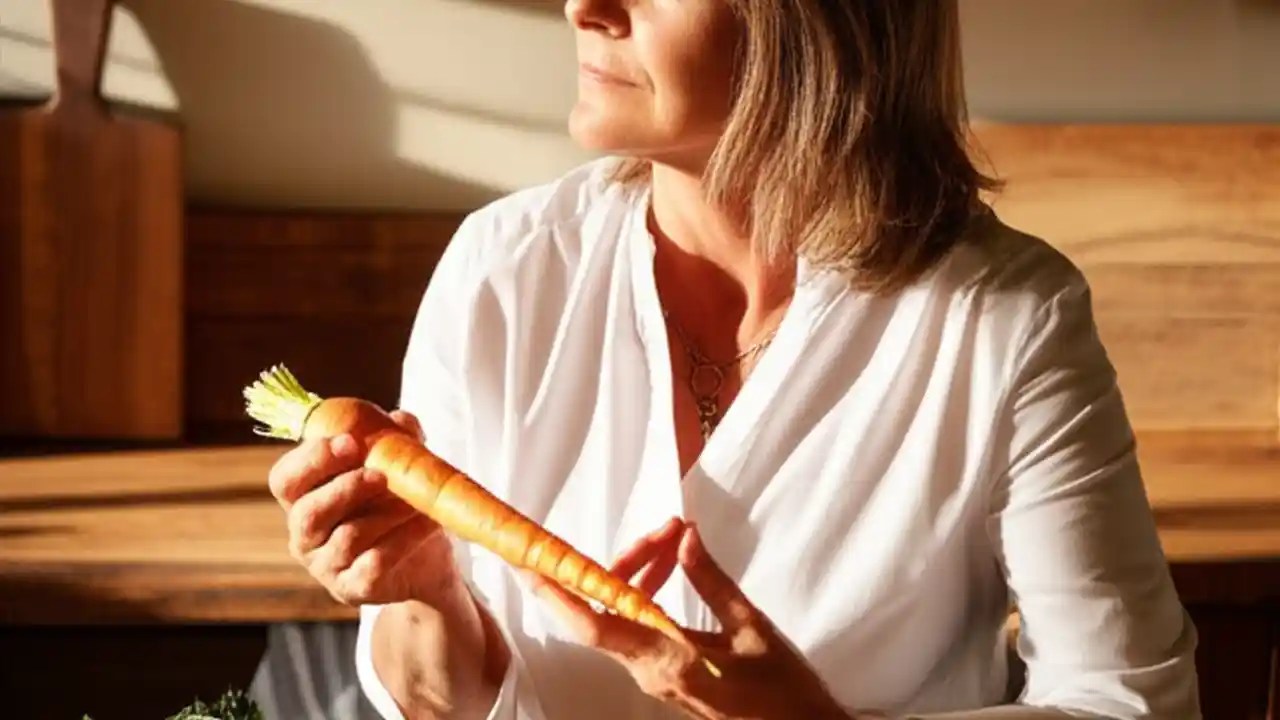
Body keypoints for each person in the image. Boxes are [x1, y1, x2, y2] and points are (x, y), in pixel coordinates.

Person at [262, 0, 1201, 717]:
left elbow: (1132, 703)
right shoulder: (501, 272)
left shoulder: (1007, 322)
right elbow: (435, 700)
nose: (586, 5)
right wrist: (423, 597)